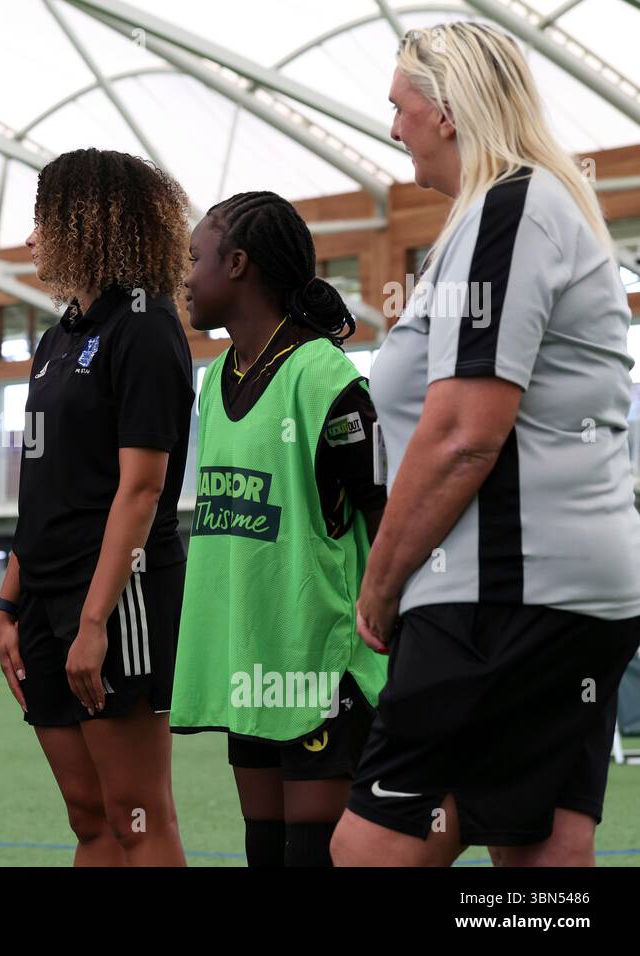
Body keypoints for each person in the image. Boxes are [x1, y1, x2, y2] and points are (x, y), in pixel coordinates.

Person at [332, 22, 640, 867]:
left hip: (505, 589)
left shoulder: (508, 209)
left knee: (367, 851)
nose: (392, 128)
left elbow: (465, 435)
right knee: (540, 852)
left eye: (400, 107)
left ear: (446, 113)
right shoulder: (520, 211)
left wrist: (381, 582)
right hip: (566, 591)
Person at [171, 191, 388, 867]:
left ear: (237, 264)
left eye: (195, 258)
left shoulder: (326, 377)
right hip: (250, 663)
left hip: (319, 664)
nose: (185, 276)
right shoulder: (215, 379)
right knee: (264, 849)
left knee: (311, 853)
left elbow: (385, 514)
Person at [0, 148, 195, 866]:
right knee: (90, 820)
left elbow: (142, 490)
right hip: (44, 599)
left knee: (137, 816)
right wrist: (8, 602)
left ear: (89, 223)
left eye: (43, 221)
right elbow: (43, 487)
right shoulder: (58, 338)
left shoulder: (146, 326)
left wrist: (92, 621)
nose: (30, 239)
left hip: (116, 597)